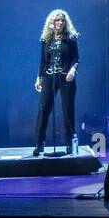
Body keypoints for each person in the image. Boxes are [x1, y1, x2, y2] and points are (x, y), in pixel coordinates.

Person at [32, 9, 79, 156]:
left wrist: (73, 70)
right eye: (57, 20)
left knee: (67, 110)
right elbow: (42, 60)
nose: (59, 22)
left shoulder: (71, 38)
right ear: (52, 22)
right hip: (49, 77)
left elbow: (76, 58)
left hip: (66, 77)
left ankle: (69, 143)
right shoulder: (46, 39)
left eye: (62, 20)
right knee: (43, 109)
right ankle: (39, 144)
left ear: (65, 23)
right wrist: (39, 77)